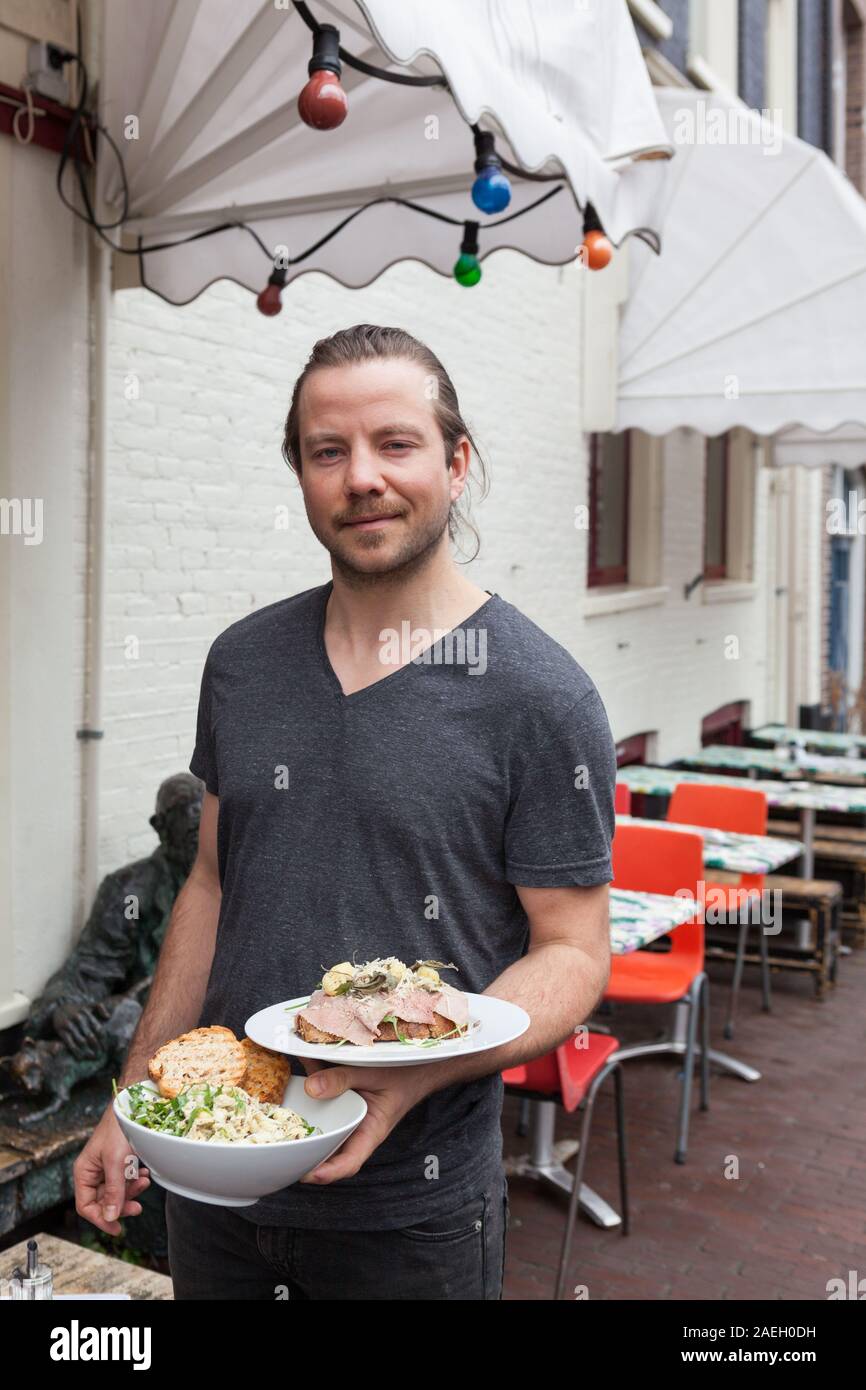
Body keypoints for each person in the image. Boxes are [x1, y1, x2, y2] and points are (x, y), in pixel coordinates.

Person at [74, 323, 617, 1300]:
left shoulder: (539, 697)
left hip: (410, 1214)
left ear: (456, 463)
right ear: (302, 475)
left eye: (394, 443)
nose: (360, 476)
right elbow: (208, 883)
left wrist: (416, 1073)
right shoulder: (242, 664)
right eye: (329, 451)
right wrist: (138, 1093)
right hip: (222, 1185)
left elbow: (573, 953)